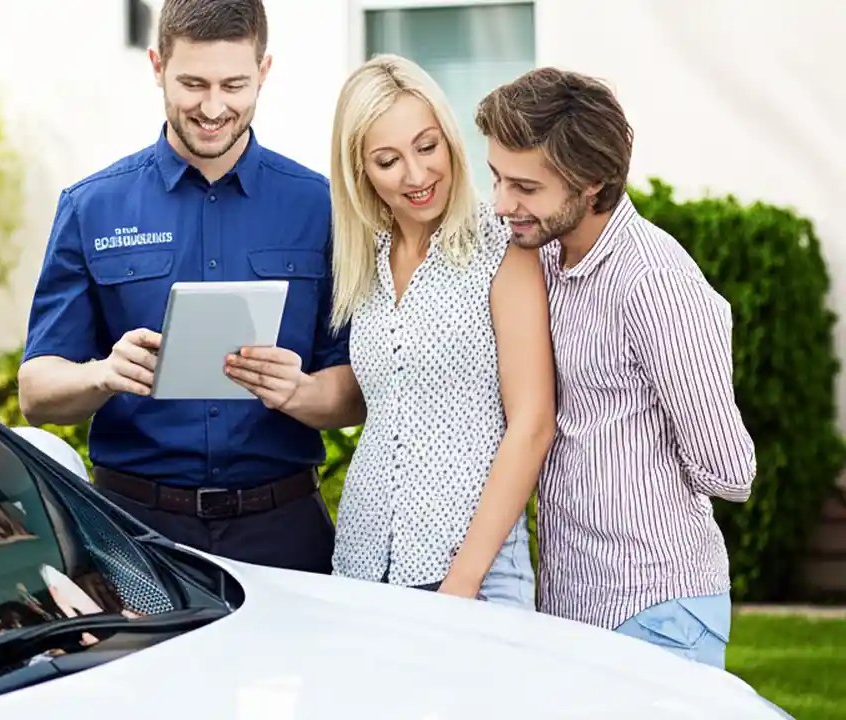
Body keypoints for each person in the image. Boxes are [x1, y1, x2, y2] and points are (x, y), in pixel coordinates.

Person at [17, 0, 359, 575]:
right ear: (156, 66)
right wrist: (102, 373)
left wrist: (296, 391)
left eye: (234, 84)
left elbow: (356, 387)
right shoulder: (91, 207)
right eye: (193, 83)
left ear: (264, 71)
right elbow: (36, 390)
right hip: (136, 534)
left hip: (285, 530)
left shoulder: (321, 207)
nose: (213, 107)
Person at [226, 53, 556, 608]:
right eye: (387, 160)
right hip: (361, 570)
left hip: (472, 573)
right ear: (361, 173)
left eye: (427, 147)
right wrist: (297, 390)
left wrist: (463, 583)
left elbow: (533, 423)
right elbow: (379, 399)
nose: (416, 175)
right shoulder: (365, 263)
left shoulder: (501, 247)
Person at [473, 67, 757, 667]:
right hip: (570, 605)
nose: (502, 203)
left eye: (524, 186)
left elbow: (731, 470)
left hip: (657, 609)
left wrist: (631, 463)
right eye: (497, 177)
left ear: (591, 183)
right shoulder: (543, 257)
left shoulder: (654, 283)